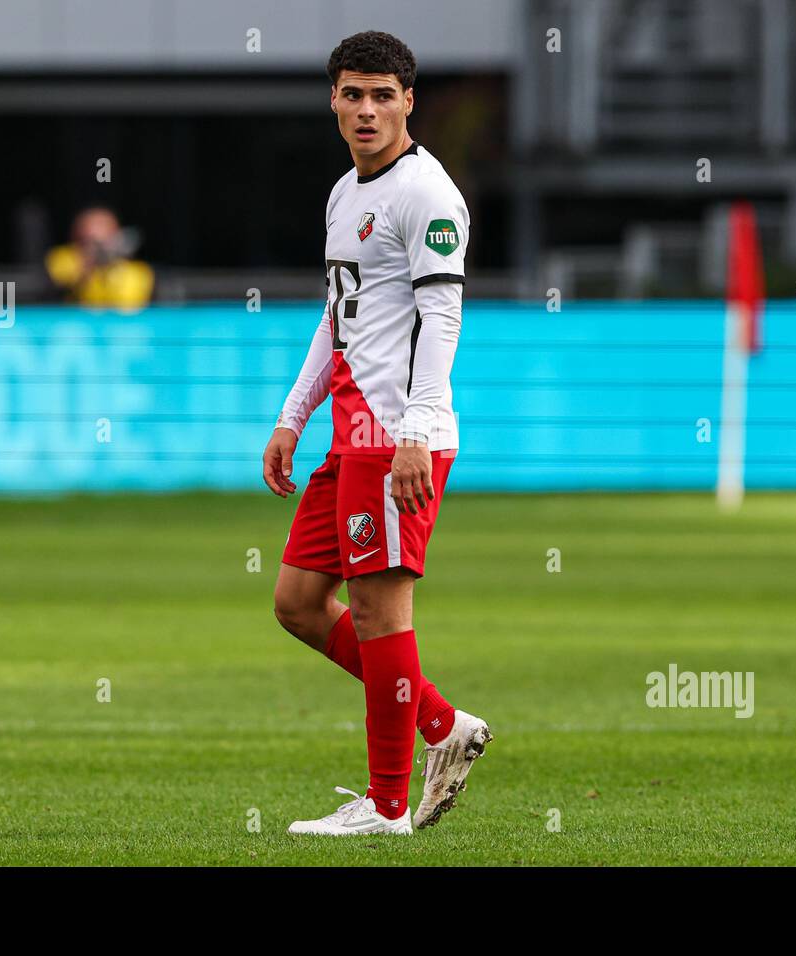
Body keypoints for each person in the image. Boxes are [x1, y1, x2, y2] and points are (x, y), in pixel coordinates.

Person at [261, 31, 490, 836]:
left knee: (379, 612)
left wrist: (417, 432)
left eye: (383, 95)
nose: (367, 110)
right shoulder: (344, 193)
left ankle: (390, 804)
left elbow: (442, 316)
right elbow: (339, 317)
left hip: (396, 437)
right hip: (348, 435)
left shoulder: (427, 194)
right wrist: (295, 416)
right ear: (333, 98)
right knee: (296, 601)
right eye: (353, 94)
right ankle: (442, 725)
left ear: (408, 101)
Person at [45, 207, 154, 308]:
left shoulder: (137, 271)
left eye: (103, 242)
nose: (97, 249)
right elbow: (59, 281)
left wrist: (111, 268)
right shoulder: (64, 258)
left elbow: (129, 303)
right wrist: (87, 265)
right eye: (88, 242)